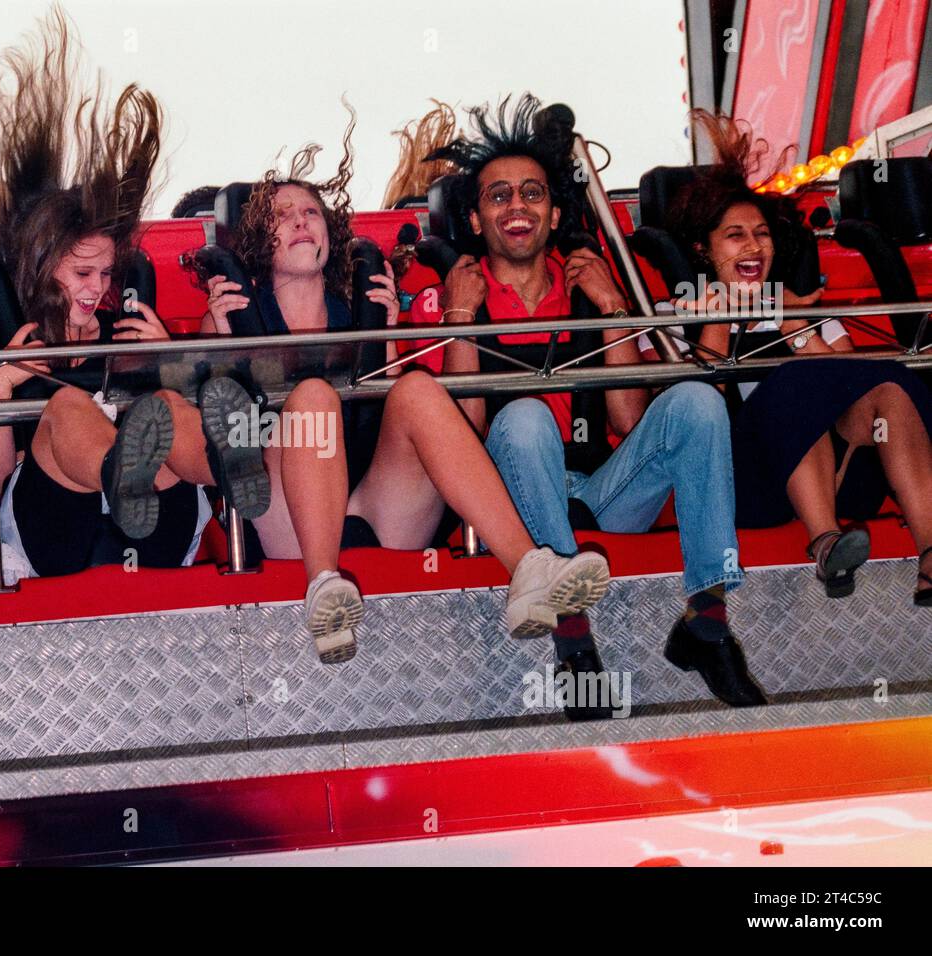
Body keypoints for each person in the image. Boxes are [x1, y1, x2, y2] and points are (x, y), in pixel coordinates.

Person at [196, 109, 611, 665]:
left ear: (330, 231)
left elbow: (384, 421)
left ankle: (529, 568)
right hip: (281, 513)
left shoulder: (363, 312)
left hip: (374, 501)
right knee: (315, 397)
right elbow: (215, 434)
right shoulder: (231, 312)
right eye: (283, 214)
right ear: (256, 238)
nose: (300, 221)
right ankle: (323, 588)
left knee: (417, 389)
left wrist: (387, 334)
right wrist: (221, 344)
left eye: (311, 212)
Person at [418, 94, 765, 716]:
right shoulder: (459, 295)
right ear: (476, 220)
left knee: (695, 402)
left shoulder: (587, 286)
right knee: (521, 417)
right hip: (514, 516)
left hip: (603, 491)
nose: (517, 206)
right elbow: (465, 433)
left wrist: (612, 312)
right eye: (500, 196)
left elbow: (630, 424)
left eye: (533, 193)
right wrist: (461, 318)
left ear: (553, 212)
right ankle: (574, 644)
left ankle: (707, 622)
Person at [0, 10, 268, 585]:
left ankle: (229, 470)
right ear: (41, 265)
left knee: (171, 408)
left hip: (156, 524)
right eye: (82, 272)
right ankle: (118, 474)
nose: (97, 289)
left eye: (107, 274)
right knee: (66, 407)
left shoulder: (124, 333)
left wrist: (169, 365)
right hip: (53, 529)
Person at [664, 110, 932, 606]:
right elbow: (693, 413)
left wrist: (789, 321)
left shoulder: (798, 307)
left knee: (890, 387)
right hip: (740, 484)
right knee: (788, 384)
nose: (753, 245)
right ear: (703, 250)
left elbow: (856, 384)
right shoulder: (678, 312)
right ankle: (826, 543)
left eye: (761, 233)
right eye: (736, 234)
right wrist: (723, 313)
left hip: (841, 475)